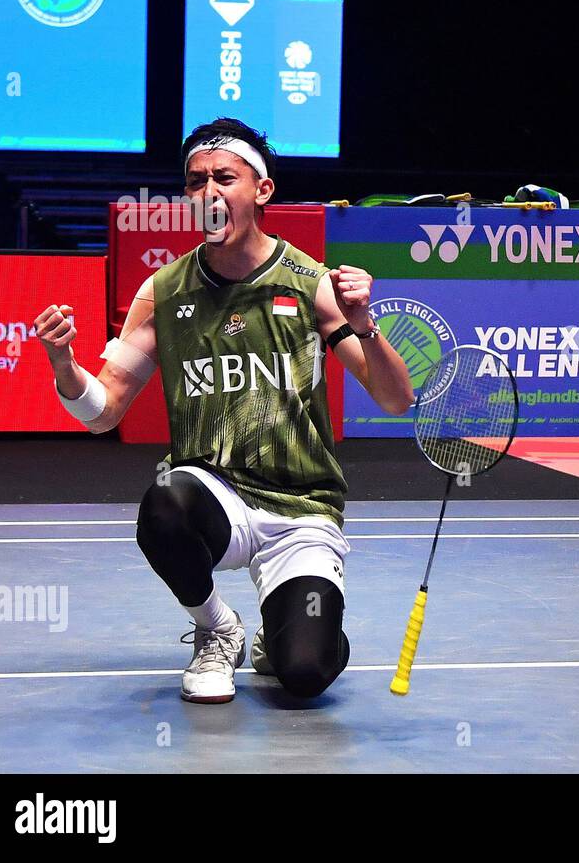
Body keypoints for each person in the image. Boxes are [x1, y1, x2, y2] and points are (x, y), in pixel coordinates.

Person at [34, 117, 415, 704]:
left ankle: (286, 633)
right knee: (165, 502)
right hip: (214, 494)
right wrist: (64, 364)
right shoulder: (162, 292)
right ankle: (218, 629)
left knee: (305, 674)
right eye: (194, 181)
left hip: (301, 507)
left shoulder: (310, 283)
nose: (208, 192)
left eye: (224, 177)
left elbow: (395, 399)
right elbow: (103, 410)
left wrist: (364, 325)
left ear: (261, 191)